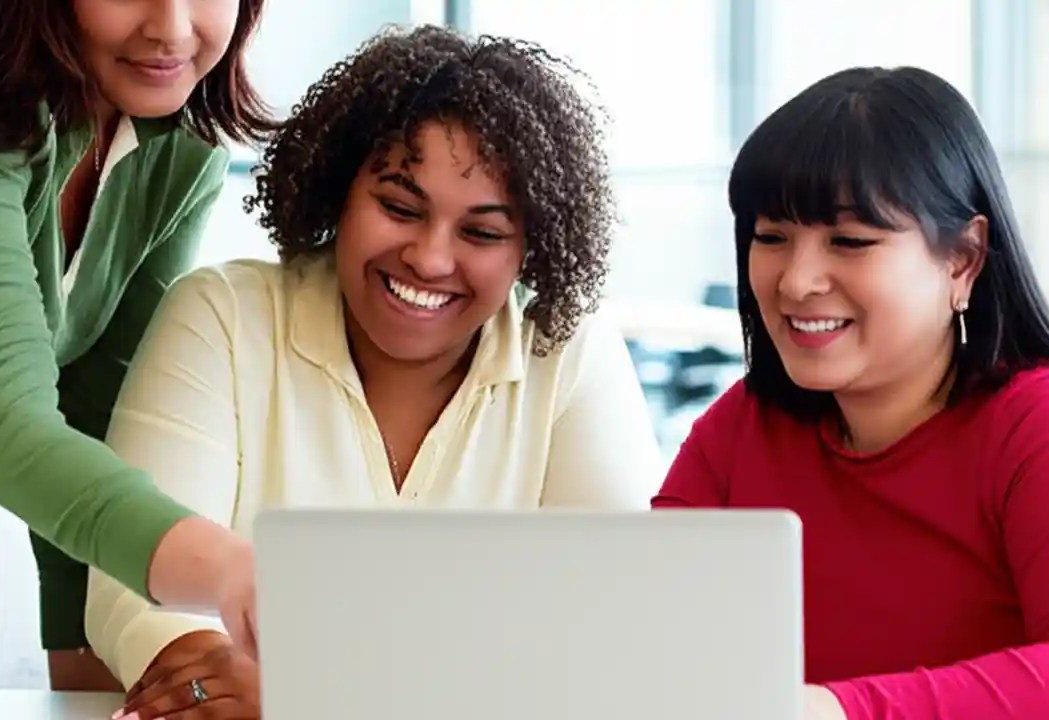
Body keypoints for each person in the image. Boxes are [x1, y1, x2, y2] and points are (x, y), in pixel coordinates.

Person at [82, 24, 664, 719]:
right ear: (340, 191)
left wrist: (309, 693)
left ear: (529, 249)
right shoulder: (224, 317)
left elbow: (610, 629)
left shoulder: (571, 355)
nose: (429, 259)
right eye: (398, 207)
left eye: (481, 232)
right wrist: (208, 680)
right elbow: (137, 587)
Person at [653, 66, 1049, 719]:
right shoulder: (739, 428)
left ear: (963, 259)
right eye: (771, 237)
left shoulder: (1048, 424)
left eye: (850, 242)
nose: (796, 282)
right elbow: (649, 644)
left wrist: (832, 711)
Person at [0, 0, 275, 689]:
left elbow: (95, 414)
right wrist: (234, 571)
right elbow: (5, 418)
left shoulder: (177, 139)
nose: (171, 27)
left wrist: (87, 662)